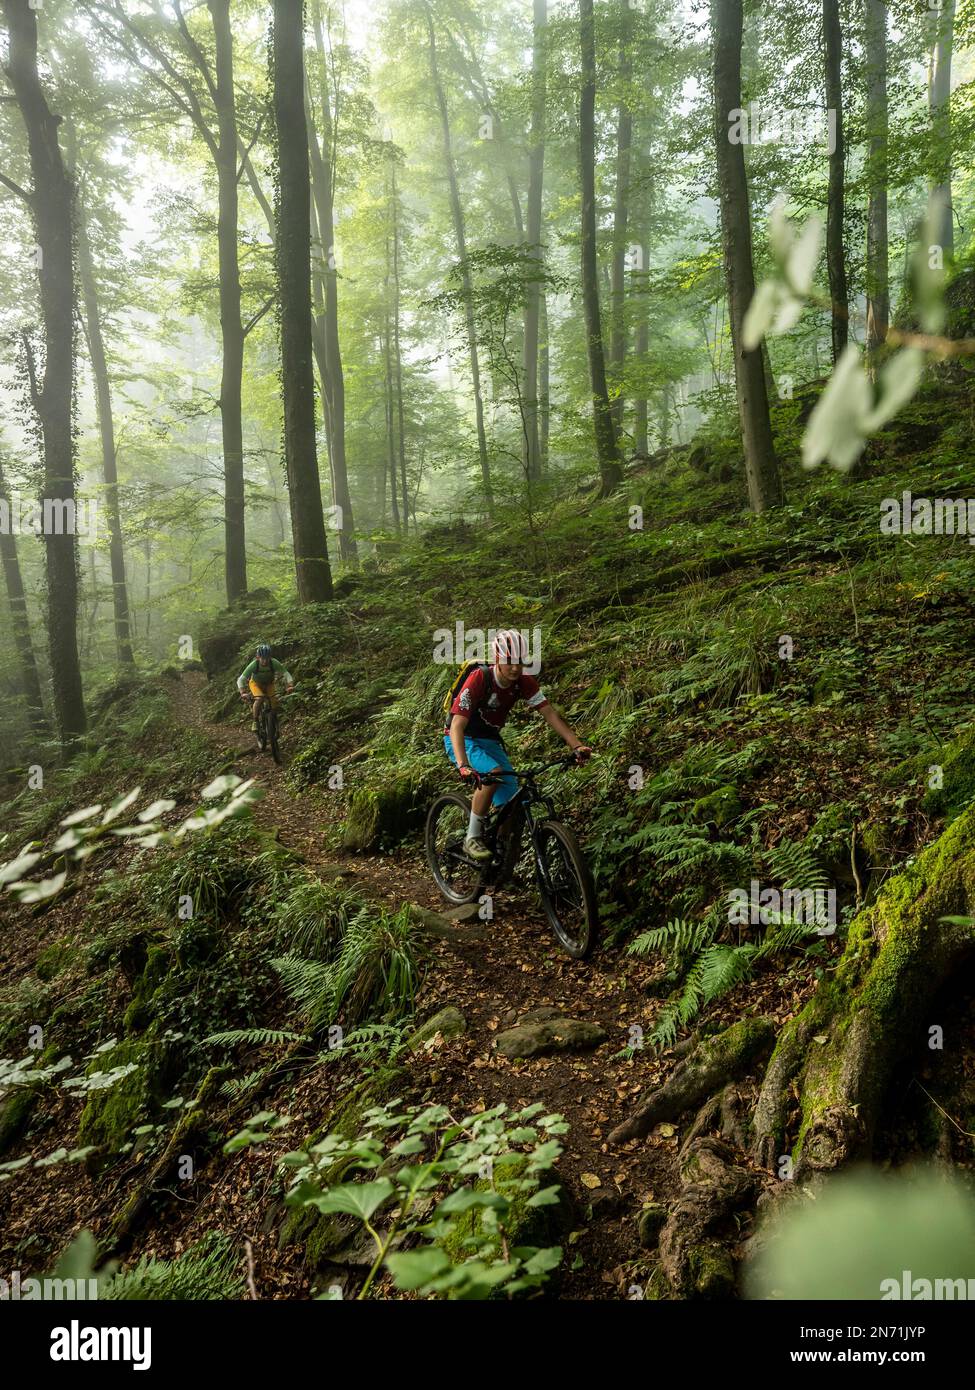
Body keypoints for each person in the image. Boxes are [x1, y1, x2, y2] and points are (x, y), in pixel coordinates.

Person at [444, 628, 591, 861]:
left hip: (490, 740)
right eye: (509, 661)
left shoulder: (523, 681)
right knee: (492, 774)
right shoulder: (480, 678)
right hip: (462, 738)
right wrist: (463, 764)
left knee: (513, 803)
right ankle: (471, 837)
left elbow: (550, 714)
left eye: (520, 662)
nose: (515, 667)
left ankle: (501, 852)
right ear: (497, 659)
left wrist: (576, 746)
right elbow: (457, 726)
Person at [237, 644, 294, 732]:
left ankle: (273, 722)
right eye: (262, 658)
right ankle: (255, 721)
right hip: (255, 684)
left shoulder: (274, 663)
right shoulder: (254, 665)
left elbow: (286, 674)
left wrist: (290, 686)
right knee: (259, 699)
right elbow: (240, 680)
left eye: (267, 658)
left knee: (274, 702)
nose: (265, 661)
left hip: (269, 684)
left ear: (270, 657)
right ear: (257, 657)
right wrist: (243, 692)